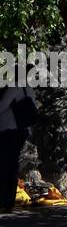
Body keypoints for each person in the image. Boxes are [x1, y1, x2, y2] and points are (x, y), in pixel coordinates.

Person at [0, 84, 34, 214]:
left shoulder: (14, 88)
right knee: (13, 164)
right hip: (22, 130)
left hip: (9, 130)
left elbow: (2, 105)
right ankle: (9, 201)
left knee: (5, 165)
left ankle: (4, 200)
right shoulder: (28, 88)